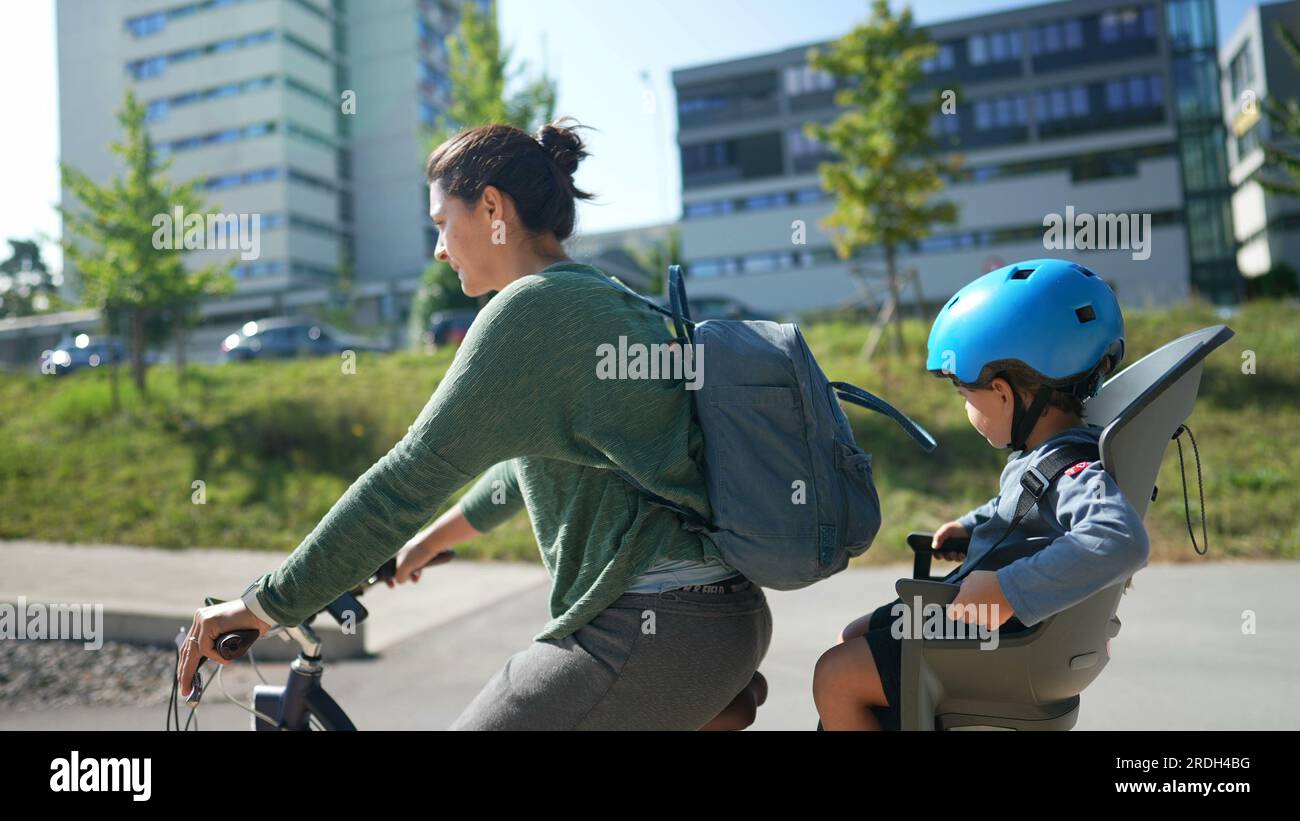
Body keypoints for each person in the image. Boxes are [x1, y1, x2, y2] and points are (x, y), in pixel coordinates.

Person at [176, 118, 771, 730]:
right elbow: (525, 472)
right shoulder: (601, 295)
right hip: (723, 615)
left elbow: (407, 479)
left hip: (654, 625)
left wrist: (260, 605)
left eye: (440, 223)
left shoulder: (529, 309)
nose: (438, 249)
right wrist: (425, 544)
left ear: (491, 208)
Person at [812, 259, 1150, 730]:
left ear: (1003, 392)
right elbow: (1023, 510)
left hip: (1005, 638)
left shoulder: (1075, 469)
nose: (967, 409)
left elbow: (1120, 539)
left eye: (965, 396)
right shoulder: (1045, 458)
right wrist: (972, 527)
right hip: (991, 625)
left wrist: (1009, 591)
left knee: (835, 677)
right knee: (854, 635)